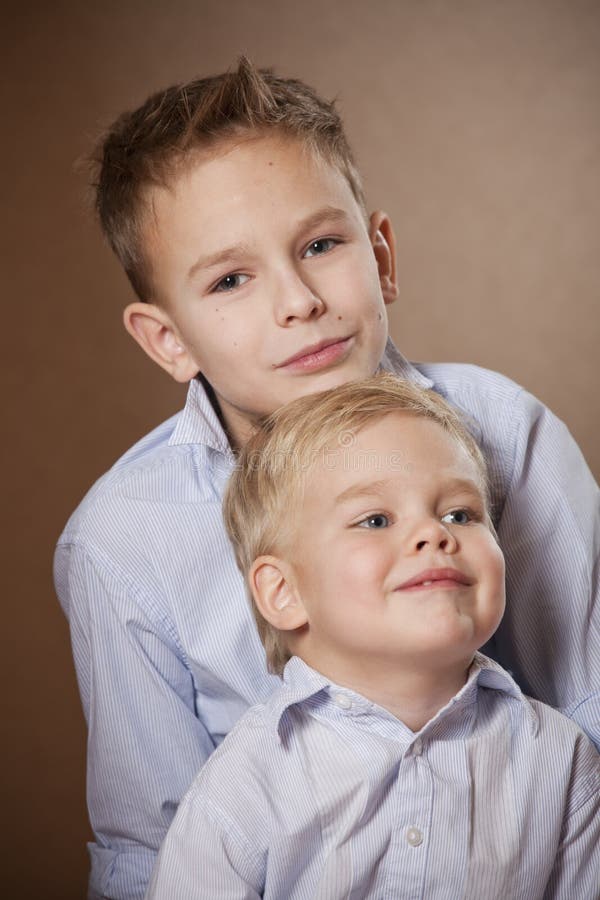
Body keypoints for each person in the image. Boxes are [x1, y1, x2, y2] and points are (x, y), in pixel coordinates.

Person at [54, 58, 600, 899]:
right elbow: (145, 850)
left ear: (381, 255)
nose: (299, 300)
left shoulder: (508, 435)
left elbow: (589, 715)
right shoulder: (121, 540)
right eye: (231, 279)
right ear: (169, 341)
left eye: (320, 245)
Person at [146, 375, 599, 899]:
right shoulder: (249, 785)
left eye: (461, 513)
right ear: (284, 592)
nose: (436, 534)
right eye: (376, 519)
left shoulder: (562, 762)